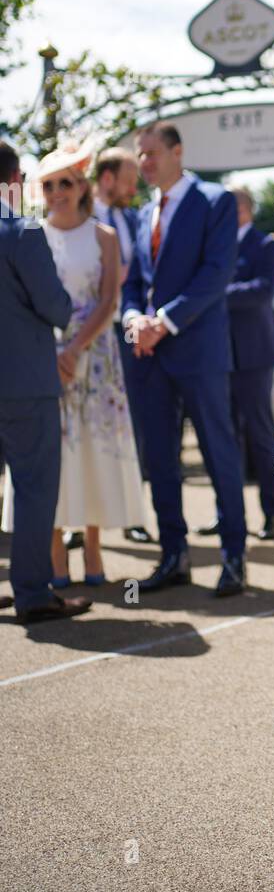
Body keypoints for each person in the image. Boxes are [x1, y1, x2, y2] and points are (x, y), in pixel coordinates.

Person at [2, 137, 147, 589]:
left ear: (82, 185)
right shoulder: (29, 233)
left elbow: (109, 300)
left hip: (94, 357)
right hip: (41, 361)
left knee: (91, 453)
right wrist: (56, 354)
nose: (57, 192)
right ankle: (54, 561)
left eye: (65, 182)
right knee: (49, 462)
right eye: (47, 185)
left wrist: (75, 349)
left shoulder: (103, 236)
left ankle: (95, 552)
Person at [122, 121, 247, 597]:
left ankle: (234, 558)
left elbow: (215, 276)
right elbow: (134, 281)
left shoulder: (214, 202)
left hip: (198, 351)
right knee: (160, 457)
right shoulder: (141, 212)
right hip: (147, 353)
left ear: (178, 152)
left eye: (152, 153)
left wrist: (164, 322)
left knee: (218, 452)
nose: (144, 162)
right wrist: (135, 316)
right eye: (140, 155)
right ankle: (173, 555)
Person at [0, 141, 93, 623]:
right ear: (14, 180)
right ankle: (33, 594)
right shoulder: (22, 233)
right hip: (24, 384)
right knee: (35, 489)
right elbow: (56, 308)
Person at [195, 186, 274, 540]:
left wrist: (215, 294)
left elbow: (262, 291)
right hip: (216, 355)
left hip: (252, 356)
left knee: (261, 436)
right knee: (222, 438)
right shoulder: (213, 246)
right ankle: (228, 515)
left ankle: (272, 515)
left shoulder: (265, 246)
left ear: (243, 210)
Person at [93, 146, 153, 544]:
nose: (135, 188)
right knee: (89, 426)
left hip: (128, 334)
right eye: (130, 180)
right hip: (90, 336)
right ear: (108, 177)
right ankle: (84, 523)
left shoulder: (134, 219)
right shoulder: (77, 219)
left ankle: (134, 514)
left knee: (135, 427)